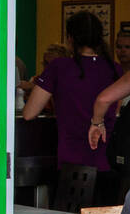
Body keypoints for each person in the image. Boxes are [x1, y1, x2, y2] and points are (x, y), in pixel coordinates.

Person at [24, 11, 120, 197]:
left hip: (72, 164)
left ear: (70, 38)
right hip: (106, 162)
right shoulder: (114, 68)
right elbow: (115, 110)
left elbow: (29, 113)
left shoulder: (59, 67)